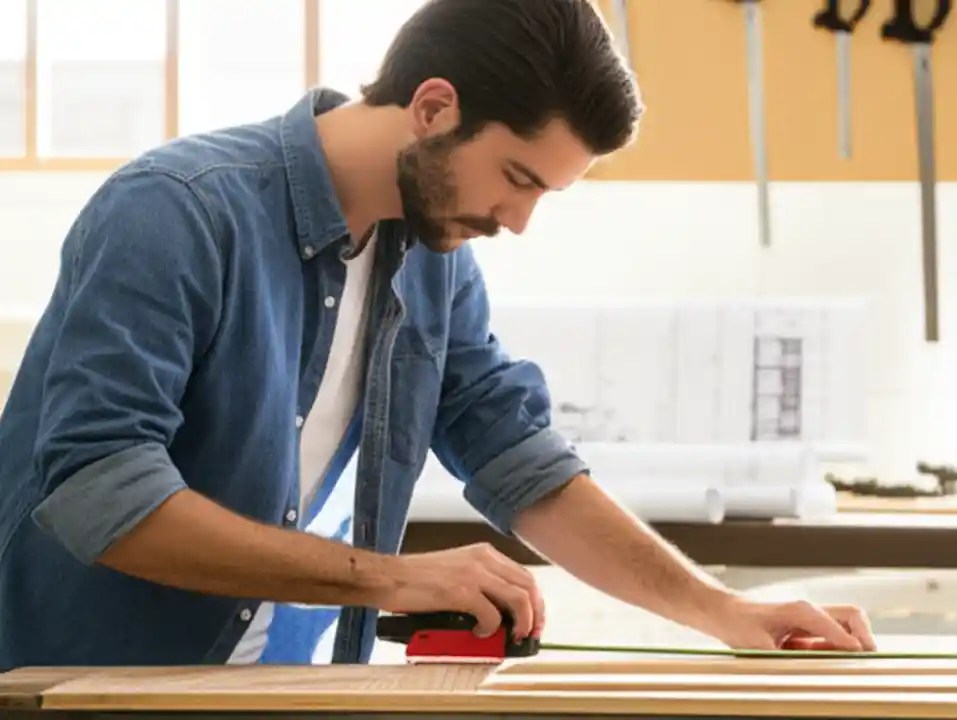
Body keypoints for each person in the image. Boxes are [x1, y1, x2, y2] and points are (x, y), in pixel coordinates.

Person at [0, 0, 874, 668]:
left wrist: (725, 613)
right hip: (73, 686)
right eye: (517, 178)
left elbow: (517, 458)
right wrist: (394, 575)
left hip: (264, 688)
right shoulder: (177, 212)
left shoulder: (432, 261)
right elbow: (99, 493)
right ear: (432, 107)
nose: (520, 220)